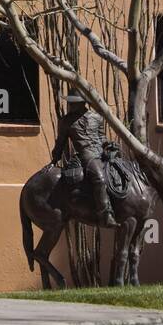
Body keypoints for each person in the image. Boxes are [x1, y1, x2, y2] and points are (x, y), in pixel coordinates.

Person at [51, 93, 115, 227]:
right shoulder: (66, 121)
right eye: (70, 102)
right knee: (99, 177)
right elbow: (61, 143)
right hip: (87, 155)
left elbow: (101, 138)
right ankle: (105, 214)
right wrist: (54, 159)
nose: (71, 105)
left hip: (101, 153)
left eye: (74, 102)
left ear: (83, 103)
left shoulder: (96, 117)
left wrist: (108, 146)